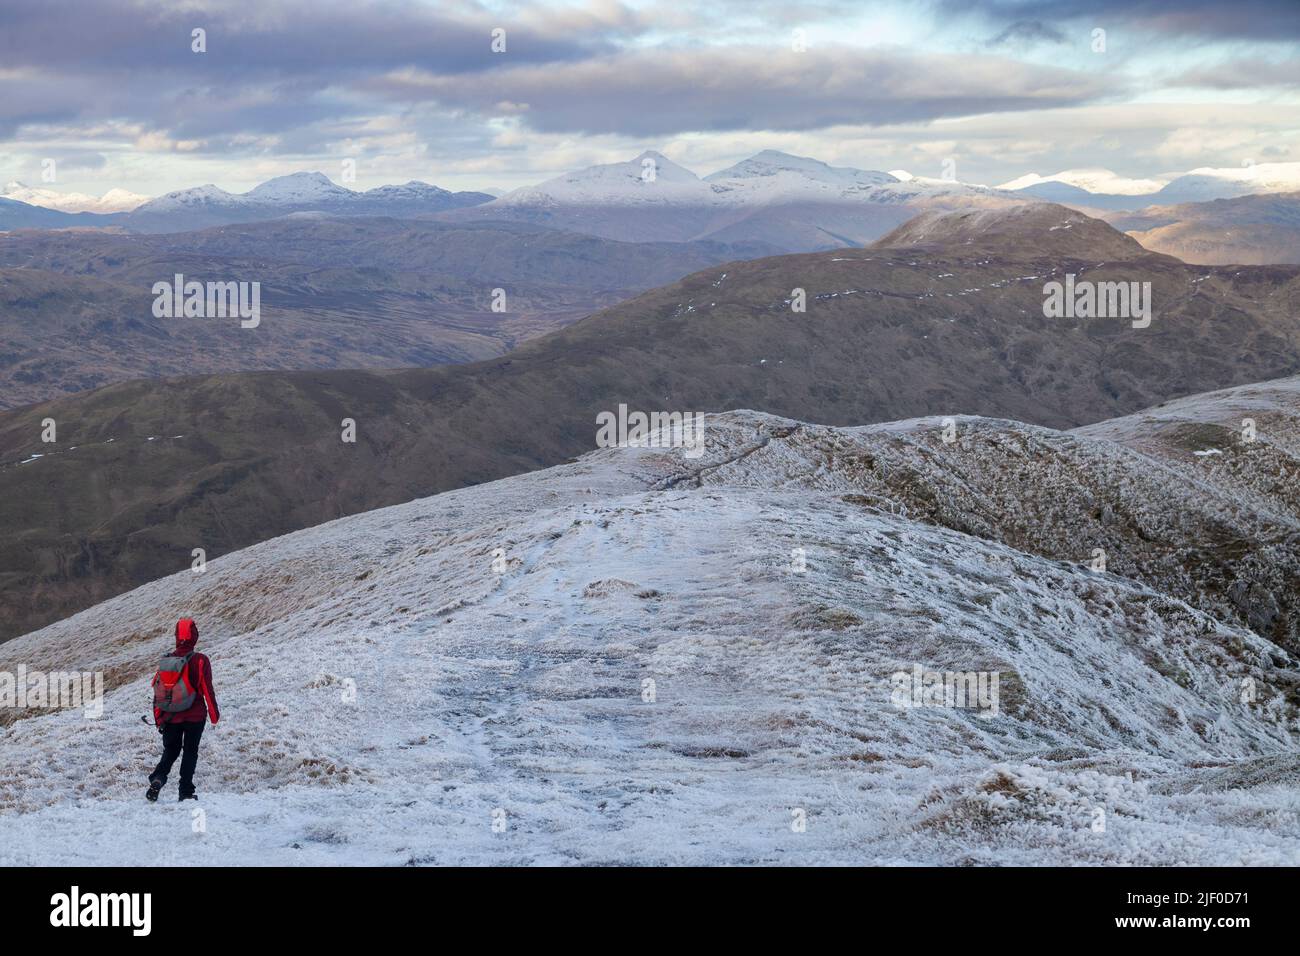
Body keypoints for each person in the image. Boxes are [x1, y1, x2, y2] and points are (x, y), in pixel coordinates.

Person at [147, 618, 219, 802]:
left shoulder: (166, 661)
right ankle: (185, 792)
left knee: (170, 751)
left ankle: (158, 779)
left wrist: (158, 719)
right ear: (195, 636)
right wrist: (214, 715)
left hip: (170, 716)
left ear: (177, 637)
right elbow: (206, 689)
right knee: (190, 752)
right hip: (195, 716)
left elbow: (157, 690)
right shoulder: (201, 660)